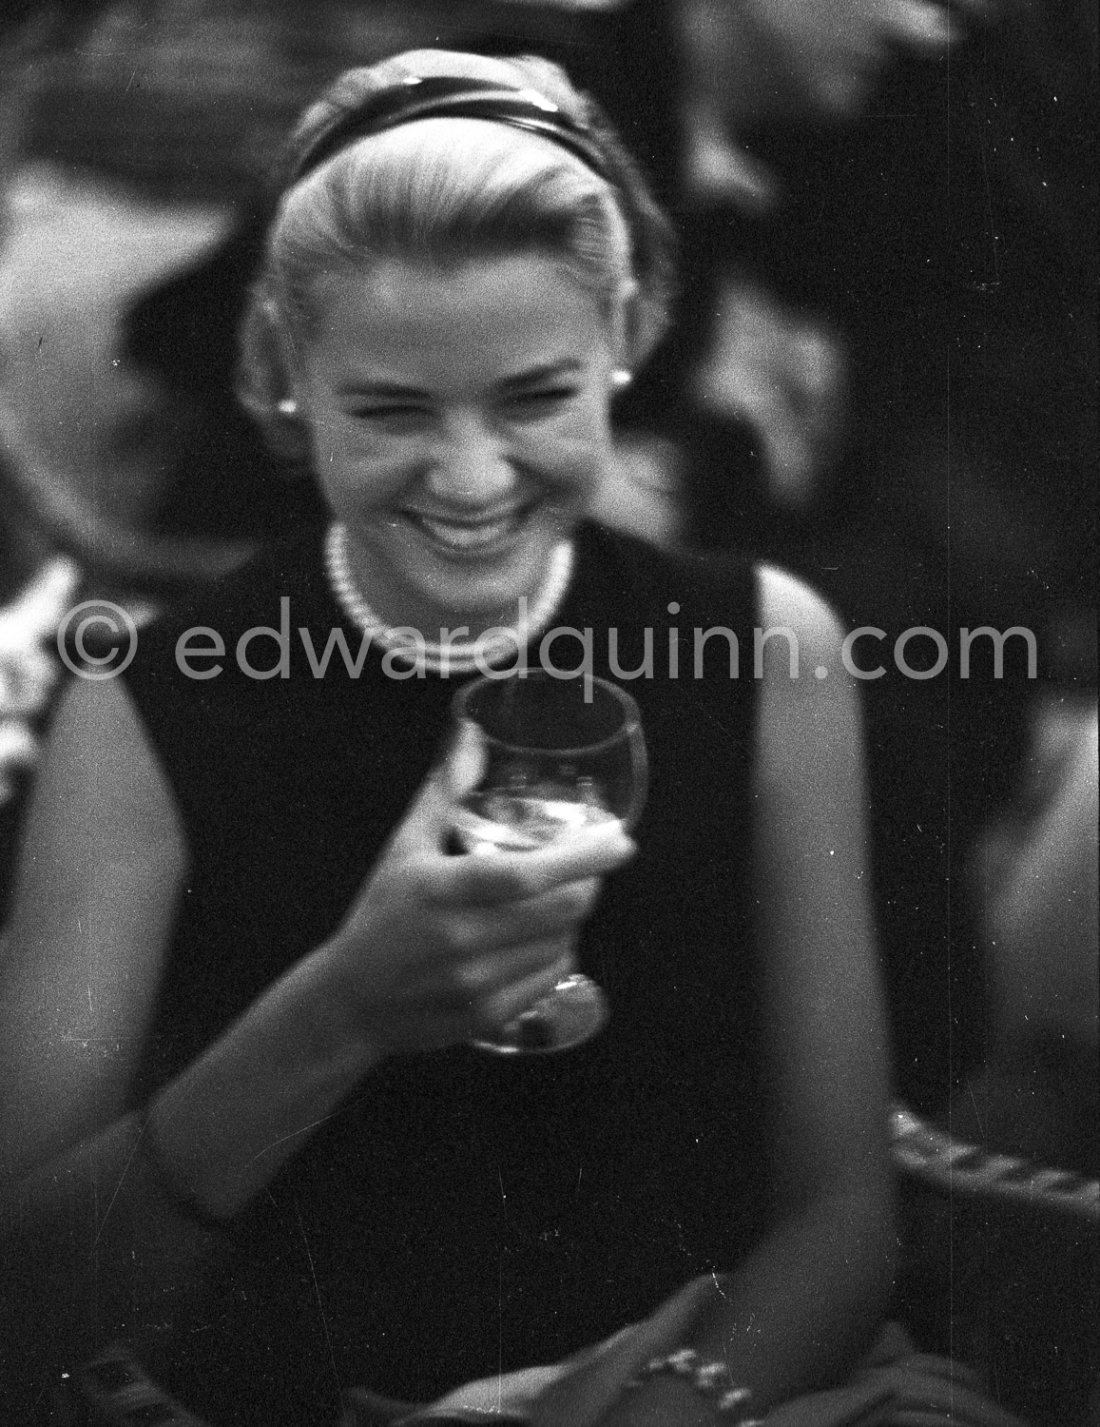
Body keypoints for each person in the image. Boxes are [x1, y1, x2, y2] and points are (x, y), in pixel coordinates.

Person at [0, 48, 1017, 1427]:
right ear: (287, 379)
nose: (472, 480)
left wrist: (671, 1410)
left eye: (535, 397)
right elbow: (30, 1303)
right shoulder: (144, 706)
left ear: (624, 342)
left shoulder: (773, 647)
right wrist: (345, 1008)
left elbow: (840, 1217)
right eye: (391, 410)